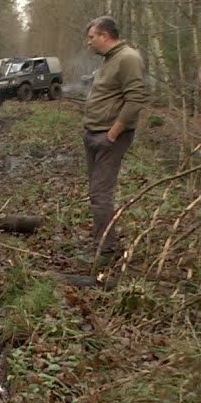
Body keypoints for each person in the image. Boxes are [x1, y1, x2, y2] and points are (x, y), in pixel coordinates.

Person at [82, 15, 147, 265]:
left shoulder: (128, 58)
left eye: (92, 37)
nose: (89, 43)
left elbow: (135, 99)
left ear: (105, 36)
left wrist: (112, 134)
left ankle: (105, 254)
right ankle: (101, 244)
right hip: (94, 133)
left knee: (101, 194)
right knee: (96, 193)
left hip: (109, 137)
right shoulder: (110, 59)